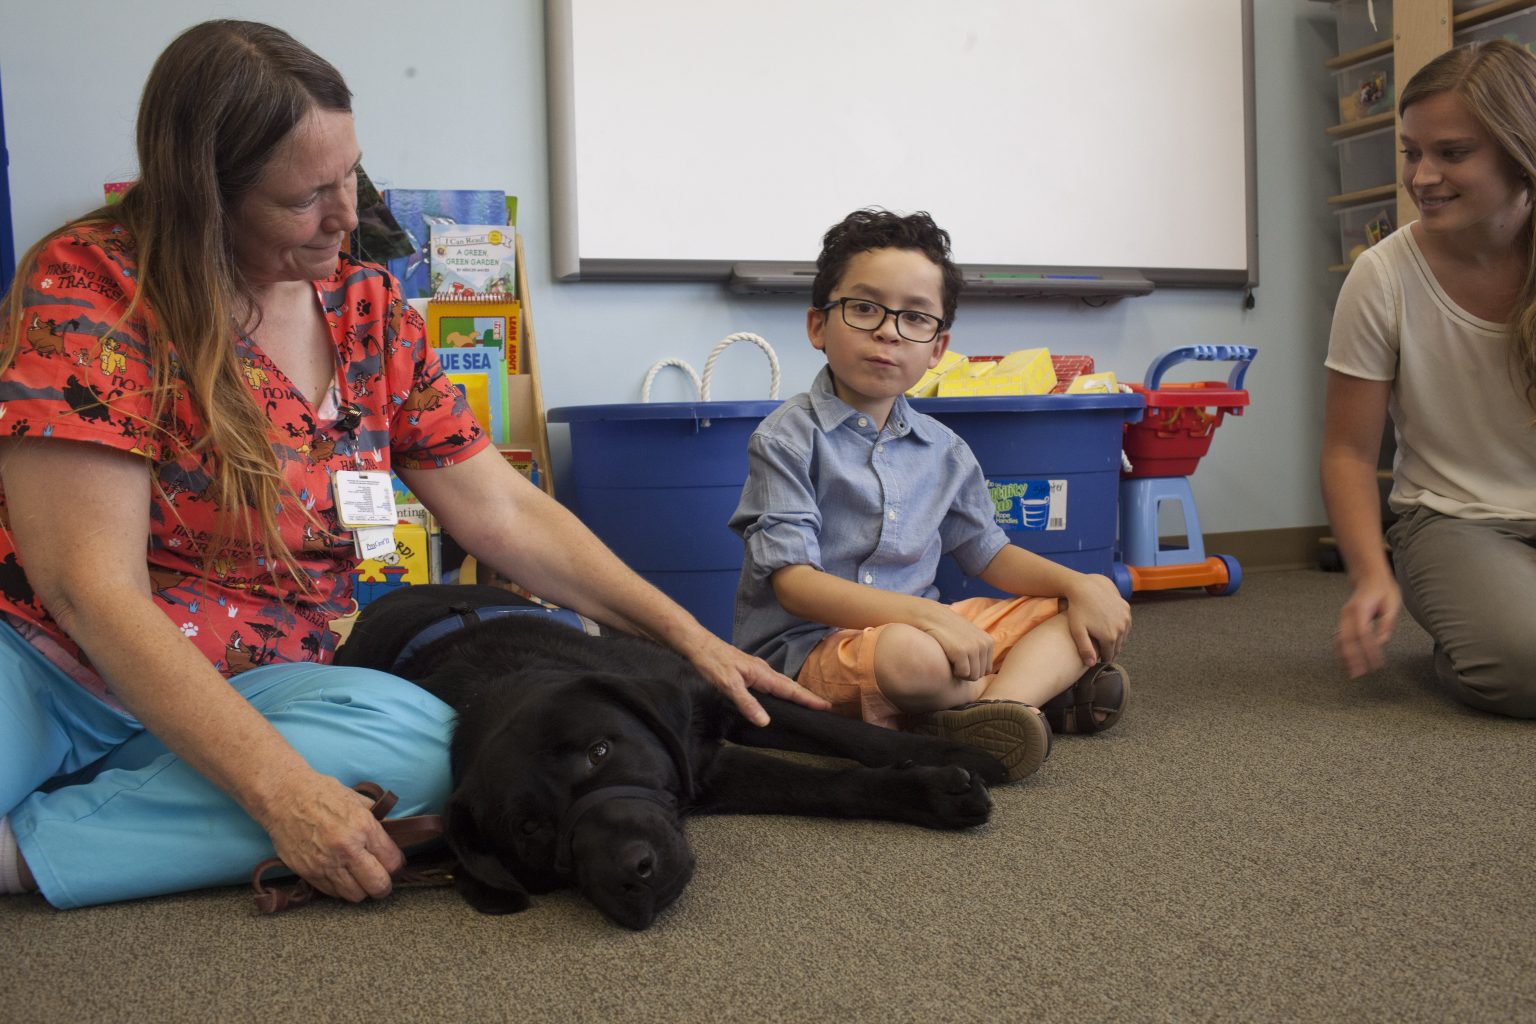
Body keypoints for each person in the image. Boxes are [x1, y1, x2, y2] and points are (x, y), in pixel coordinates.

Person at [0, 19, 825, 910]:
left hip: (265, 688)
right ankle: (140, 811)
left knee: (430, 753)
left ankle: (26, 853)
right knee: (317, 784)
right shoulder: (90, 285)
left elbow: (500, 511)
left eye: (350, 173)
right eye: (305, 196)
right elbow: (93, 593)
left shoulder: (370, 309)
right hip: (53, 665)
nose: (349, 215)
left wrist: (688, 637)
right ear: (207, 196)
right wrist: (281, 793)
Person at [729, 209, 1132, 782]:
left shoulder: (945, 449)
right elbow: (794, 586)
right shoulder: (787, 437)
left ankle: (996, 712)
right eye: (865, 308)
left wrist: (1079, 585)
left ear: (937, 347)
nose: (889, 331)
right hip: (816, 653)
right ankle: (1023, 697)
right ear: (819, 326)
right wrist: (925, 619)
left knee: (1074, 611)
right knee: (913, 656)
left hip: (928, 633)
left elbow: (987, 553)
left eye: (914, 318)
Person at [1322, 39, 1536, 720]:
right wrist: (1370, 574)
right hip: (1452, 520)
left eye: (1450, 152)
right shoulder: (1382, 276)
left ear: (1518, 151)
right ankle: (1479, 632)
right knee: (1521, 667)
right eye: (1413, 152)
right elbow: (1348, 453)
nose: (1422, 177)